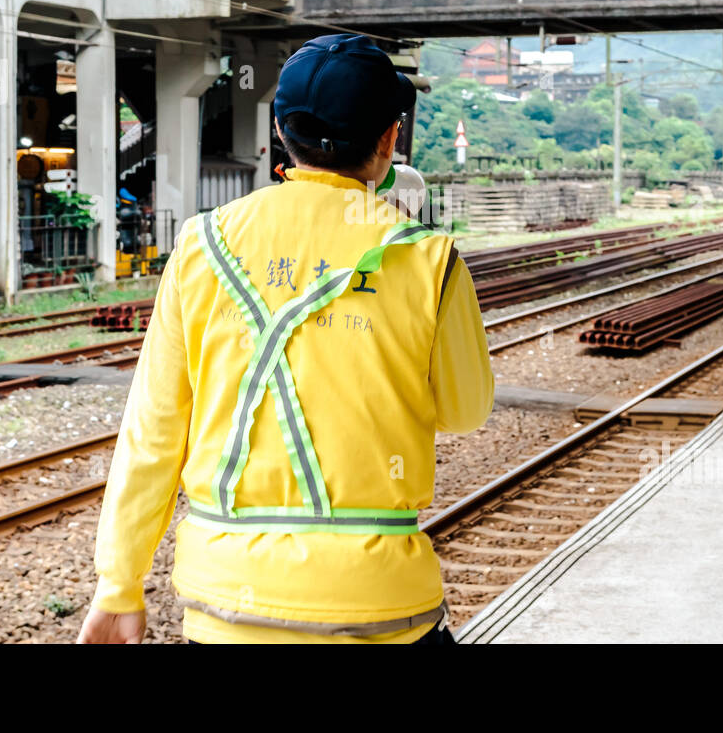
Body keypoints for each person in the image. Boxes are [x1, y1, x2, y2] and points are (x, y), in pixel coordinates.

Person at [79, 34, 495, 644]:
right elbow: (465, 412)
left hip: (226, 607)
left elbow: (154, 434)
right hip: (380, 607)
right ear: (390, 139)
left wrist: (119, 586)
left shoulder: (201, 246)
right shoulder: (429, 257)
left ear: (280, 131)